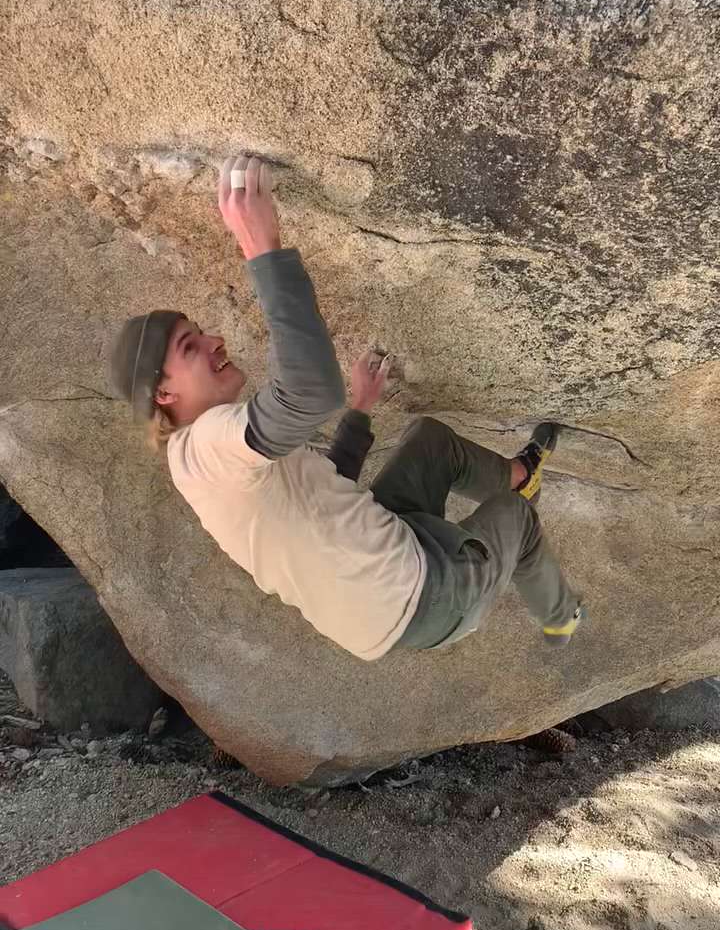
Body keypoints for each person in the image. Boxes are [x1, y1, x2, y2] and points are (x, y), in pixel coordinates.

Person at [110, 154, 584, 661]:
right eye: (190, 347)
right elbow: (308, 392)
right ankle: (561, 620)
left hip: (389, 573)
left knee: (430, 443)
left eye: (200, 332)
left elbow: (325, 495)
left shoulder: (211, 458)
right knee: (516, 520)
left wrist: (359, 410)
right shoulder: (206, 446)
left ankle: (519, 475)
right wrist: (260, 246)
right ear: (164, 394)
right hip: (426, 603)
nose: (215, 341)